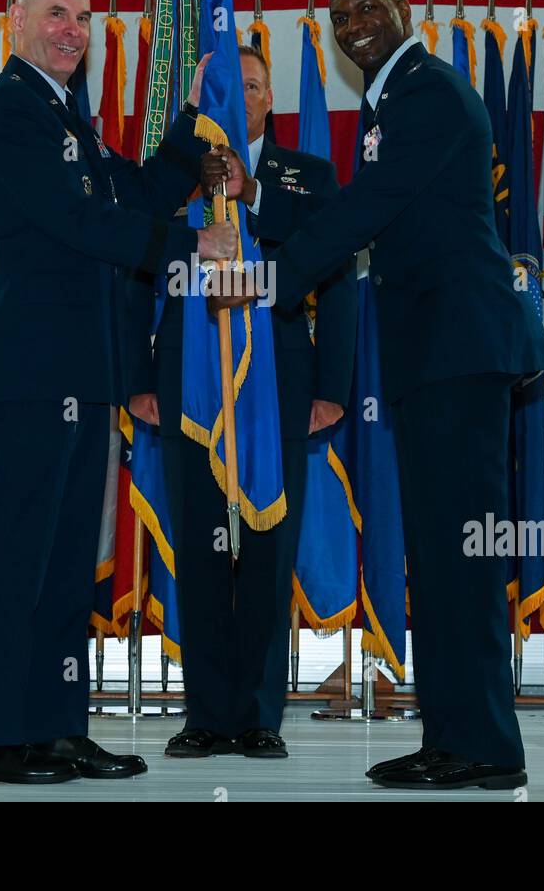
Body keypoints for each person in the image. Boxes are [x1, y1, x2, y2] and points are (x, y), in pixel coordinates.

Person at [211, 0, 544, 790]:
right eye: (341, 15)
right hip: (437, 355)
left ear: (404, 11)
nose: (354, 23)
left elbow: (370, 208)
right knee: (438, 554)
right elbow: (370, 214)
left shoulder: (427, 93)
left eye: (369, 8)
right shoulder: (393, 100)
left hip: (460, 352)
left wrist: (272, 277)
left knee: (459, 557)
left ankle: (485, 745)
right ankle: (456, 735)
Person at [0, 0, 237, 785]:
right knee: (16, 558)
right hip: (30, 373)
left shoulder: (65, 112)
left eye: (83, 18)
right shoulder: (11, 110)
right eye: (56, 13)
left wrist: (192, 129)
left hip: (79, 370)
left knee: (68, 563)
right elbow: (81, 221)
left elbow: (131, 193)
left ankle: (52, 727)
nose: (72, 29)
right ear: (17, 20)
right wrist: (191, 246)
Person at [127, 46, 356, 759]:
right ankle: (205, 713)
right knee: (199, 547)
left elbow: (335, 268)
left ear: (266, 101)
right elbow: (132, 270)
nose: (240, 98)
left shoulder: (303, 176)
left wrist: (332, 387)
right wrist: (137, 376)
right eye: (227, 88)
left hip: (280, 387)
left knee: (265, 550)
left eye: (252, 86)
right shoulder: (171, 174)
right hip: (187, 389)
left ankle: (258, 714)